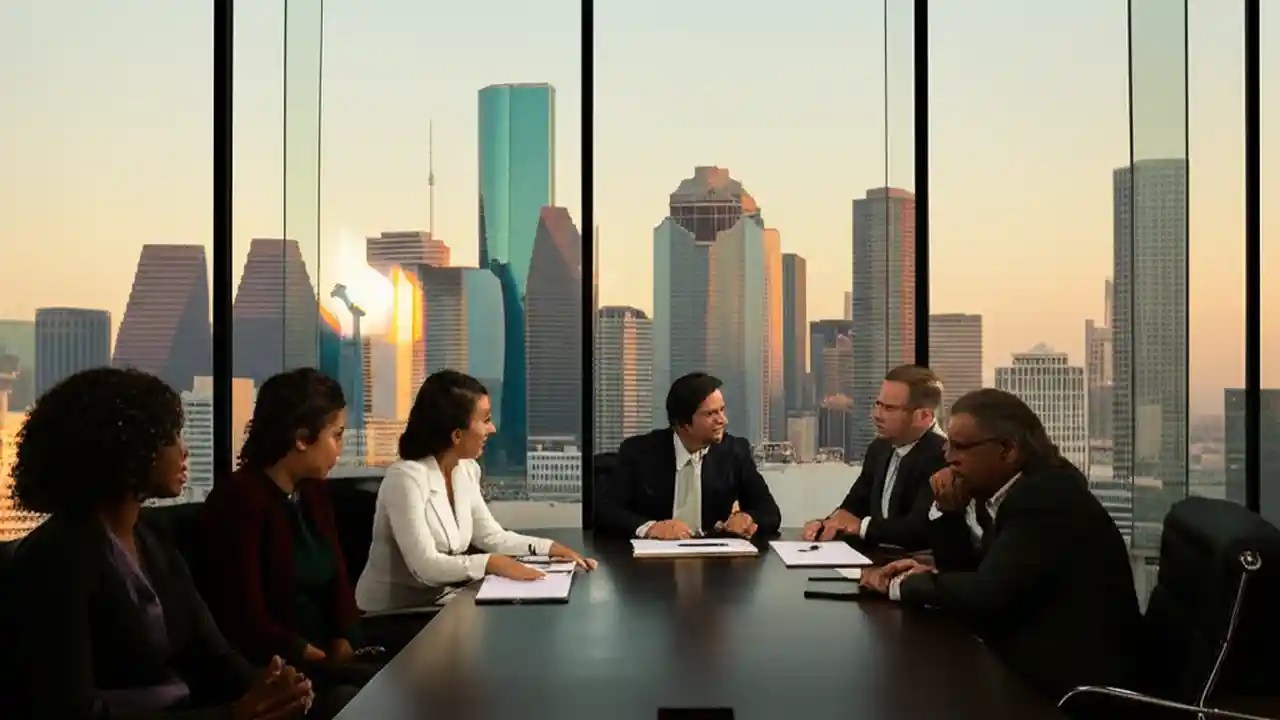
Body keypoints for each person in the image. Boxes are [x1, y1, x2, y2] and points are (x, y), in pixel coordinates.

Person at [1, 367, 314, 719]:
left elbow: (213, 653)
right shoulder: (55, 558)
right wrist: (233, 715)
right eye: (171, 436)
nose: (184, 451)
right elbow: (74, 712)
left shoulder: (152, 536)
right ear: (128, 447)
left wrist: (274, 688)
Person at [859, 388, 1142, 702]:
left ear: (1007, 449)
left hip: (1066, 686)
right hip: (1034, 660)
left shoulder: (1044, 498)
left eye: (961, 447)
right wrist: (948, 512)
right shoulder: (1020, 491)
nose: (949, 457)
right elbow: (972, 574)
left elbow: (984, 595)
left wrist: (905, 584)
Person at [201, 368, 378, 712]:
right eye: (336, 436)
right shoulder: (238, 501)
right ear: (301, 438)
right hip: (276, 671)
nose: (339, 449)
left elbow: (339, 582)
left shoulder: (312, 493)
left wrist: (344, 639)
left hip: (327, 659)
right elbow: (244, 618)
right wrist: (313, 654)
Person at [355, 370, 596, 612]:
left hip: (443, 603)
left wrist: (549, 549)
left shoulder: (466, 470)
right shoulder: (405, 478)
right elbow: (424, 567)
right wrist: (491, 563)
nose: (492, 429)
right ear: (457, 435)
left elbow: (490, 536)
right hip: (395, 613)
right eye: (485, 420)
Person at [594, 372, 782, 540]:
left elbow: (770, 512)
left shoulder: (735, 452)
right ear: (682, 423)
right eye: (710, 414)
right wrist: (651, 528)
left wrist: (748, 518)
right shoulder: (639, 451)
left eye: (721, 410)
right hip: (652, 564)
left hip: (715, 564)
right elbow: (606, 512)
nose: (723, 420)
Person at [801, 365, 947, 550]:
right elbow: (854, 506)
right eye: (878, 404)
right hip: (877, 561)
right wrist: (827, 524)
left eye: (889, 408)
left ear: (924, 416)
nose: (877, 415)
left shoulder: (943, 456)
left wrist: (860, 527)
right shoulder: (880, 448)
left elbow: (917, 530)